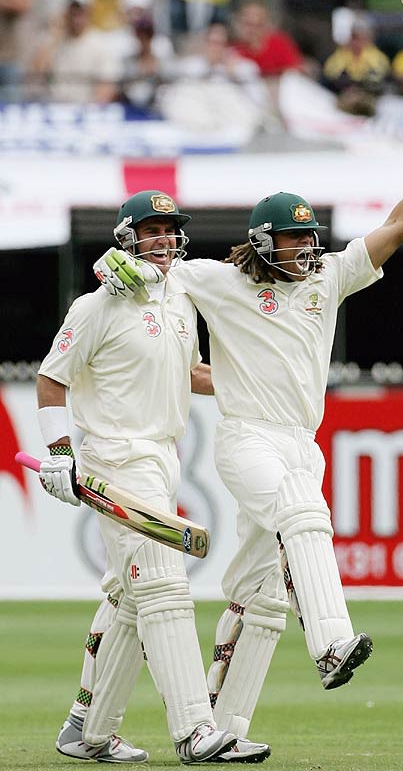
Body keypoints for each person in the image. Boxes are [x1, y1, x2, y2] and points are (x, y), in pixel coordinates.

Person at [90, 110, 403, 751]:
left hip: (301, 444)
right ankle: (332, 642)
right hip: (247, 439)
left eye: (310, 241)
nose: (306, 252)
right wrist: (118, 268)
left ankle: (221, 732)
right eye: (292, 242)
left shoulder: (328, 278)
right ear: (261, 242)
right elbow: (149, 262)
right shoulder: (218, 281)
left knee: (264, 596)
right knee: (304, 515)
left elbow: (399, 225)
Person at [35, 192, 255, 764]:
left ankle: (87, 730)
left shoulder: (181, 298)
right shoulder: (95, 306)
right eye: (152, 232)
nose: (164, 241)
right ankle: (194, 730)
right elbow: (50, 380)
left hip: (162, 456)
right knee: (162, 584)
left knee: (130, 598)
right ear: (126, 237)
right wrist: (59, 453)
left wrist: (253, 386)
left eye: (170, 231)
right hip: (113, 457)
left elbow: (193, 375)